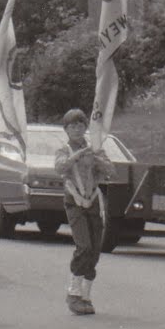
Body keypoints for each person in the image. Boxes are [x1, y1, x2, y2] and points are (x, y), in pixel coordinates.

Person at [55, 108, 116, 315]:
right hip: (75, 200)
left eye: (80, 125)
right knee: (84, 245)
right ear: (66, 129)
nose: (77, 129)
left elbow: (111, 170)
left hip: (93, 201)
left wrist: (96, 157)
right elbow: (59, 167)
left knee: (95, 250)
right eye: (72, 126)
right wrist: (77, 156)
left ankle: (86, 295)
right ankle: (73, 292)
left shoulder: (95, 149)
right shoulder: (64, 149)